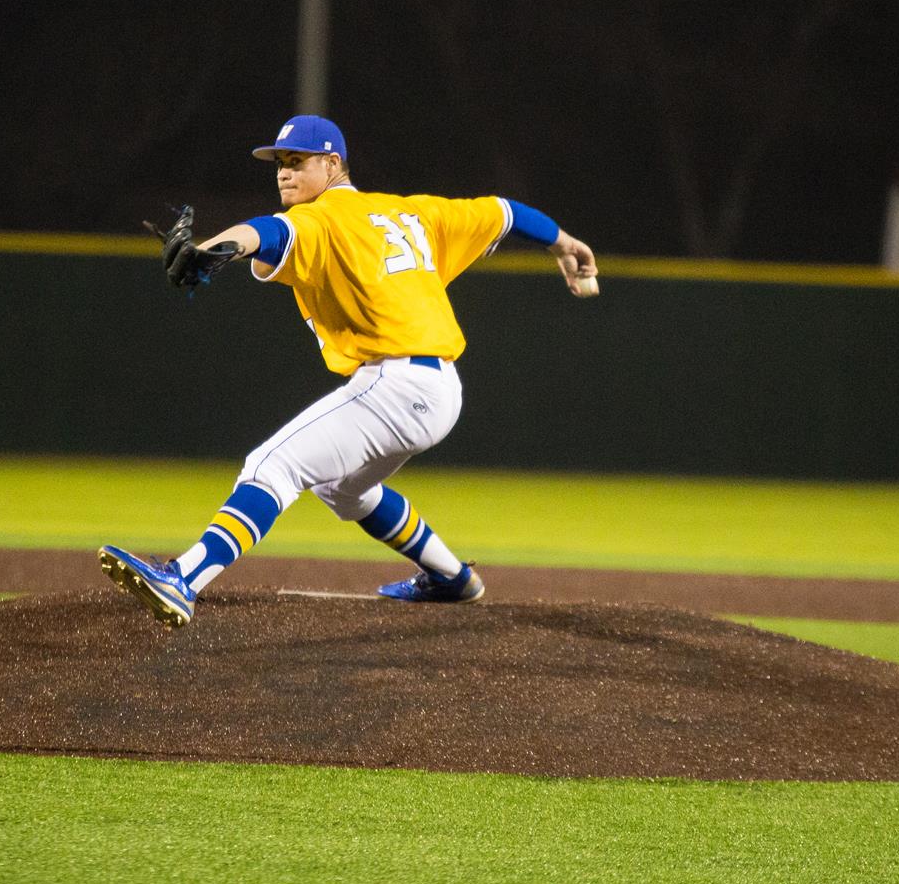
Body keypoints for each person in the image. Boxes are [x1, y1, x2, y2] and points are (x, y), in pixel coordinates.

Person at [97, 115, 599, 628]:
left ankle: (183, 579)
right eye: (280, 163)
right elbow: (506, 212)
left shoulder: (324, 218)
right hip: (439, 390)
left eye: (297, 161)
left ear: (333, 163)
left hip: (396, 385)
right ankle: (451, 577)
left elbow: (266, 232)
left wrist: (211, 248)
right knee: (342, 489)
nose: (284, 172)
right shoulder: (415, 212)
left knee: (271, 466)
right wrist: (565, 243)